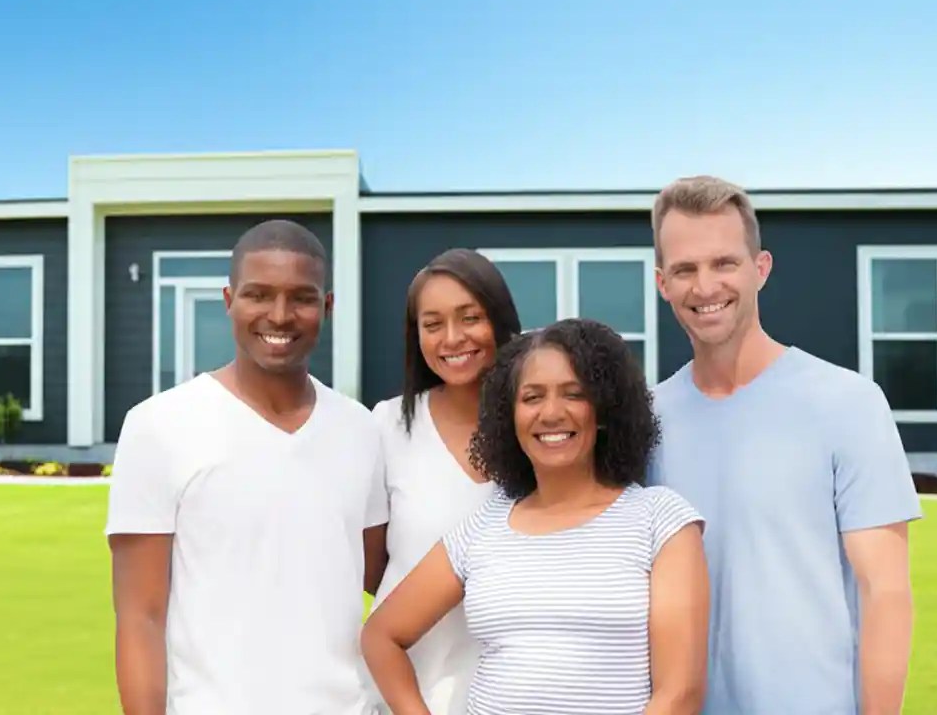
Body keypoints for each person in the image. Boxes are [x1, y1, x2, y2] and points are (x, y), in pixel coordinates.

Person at [646, 175, 924, 714]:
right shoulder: (647, 419)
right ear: (663, 283)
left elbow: (885, 594)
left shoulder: (848, 403)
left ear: (760, 269)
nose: (705, 287)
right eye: (685, 269)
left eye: (724, 263)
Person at [104, 219, 387, 714]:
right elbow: (139, 617)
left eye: (301, 297)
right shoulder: (158, 426)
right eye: (258, 295)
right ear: (229, 300)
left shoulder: (360, 429)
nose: (280, 315)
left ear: (327, 306)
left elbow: (385, 577)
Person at [362, 318, 710, 715]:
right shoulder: (484, 526)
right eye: (532, 397)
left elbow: (680, 694)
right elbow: (382, 635)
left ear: (603, 410)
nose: (551, 413)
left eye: (573, 394)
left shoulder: (659, 522)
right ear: (509, 417)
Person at [362, 248, 523, 715]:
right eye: (432, 324)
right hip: (407, 696)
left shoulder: (543, 426)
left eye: (470, 317)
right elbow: (373, 567)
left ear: (499, 319)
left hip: (509, 697)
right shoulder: (388, 427)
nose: (453, 338)